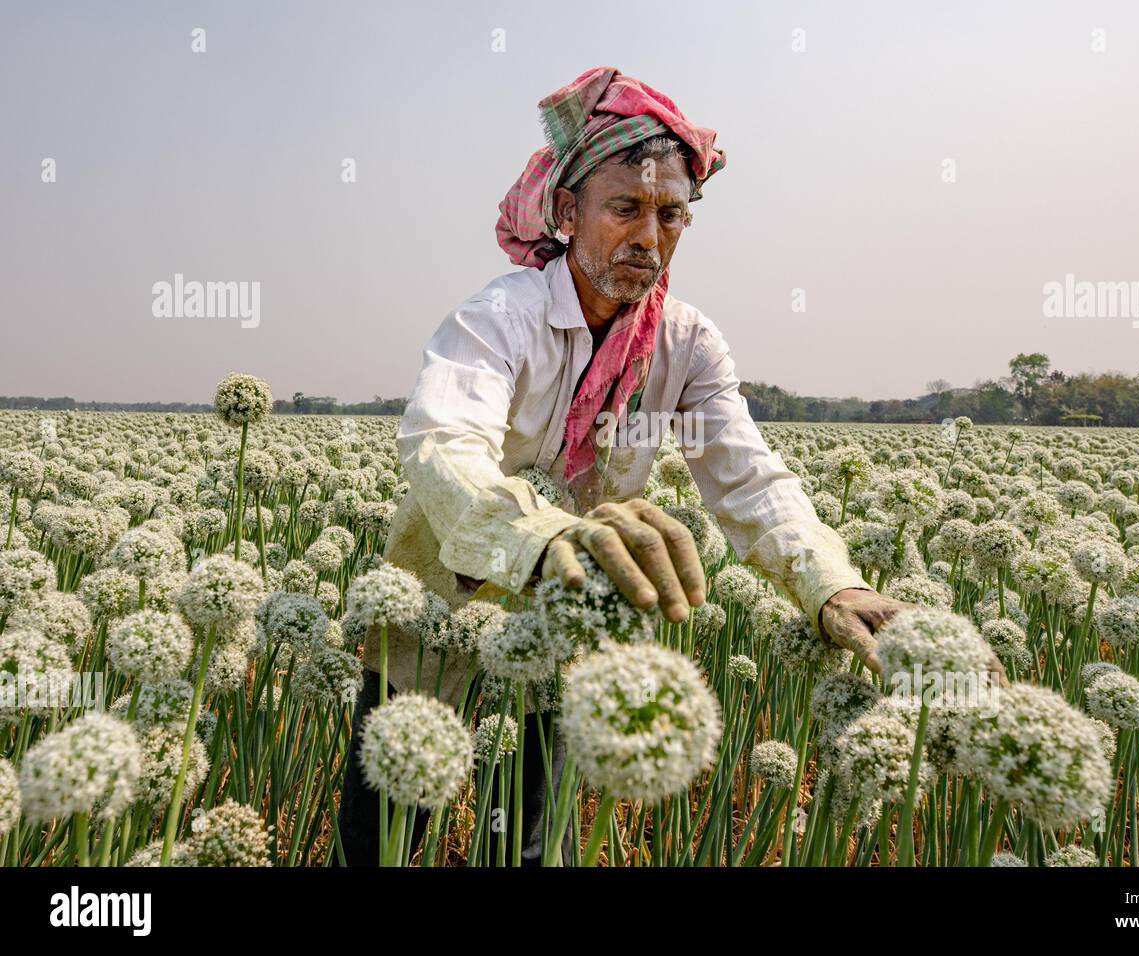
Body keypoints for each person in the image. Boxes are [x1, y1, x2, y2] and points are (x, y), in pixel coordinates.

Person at [336, 66, 914, 867]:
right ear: (569, 213)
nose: (649, 236)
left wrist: (829, 583)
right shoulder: (502, 318)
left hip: (570, 621)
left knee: (534, 845)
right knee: (382, 842)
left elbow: (746, 472)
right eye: (626, 208)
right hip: (443, 605)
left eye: (671, 214)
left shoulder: (687, 345)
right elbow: (445, 442)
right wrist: (539, 539)